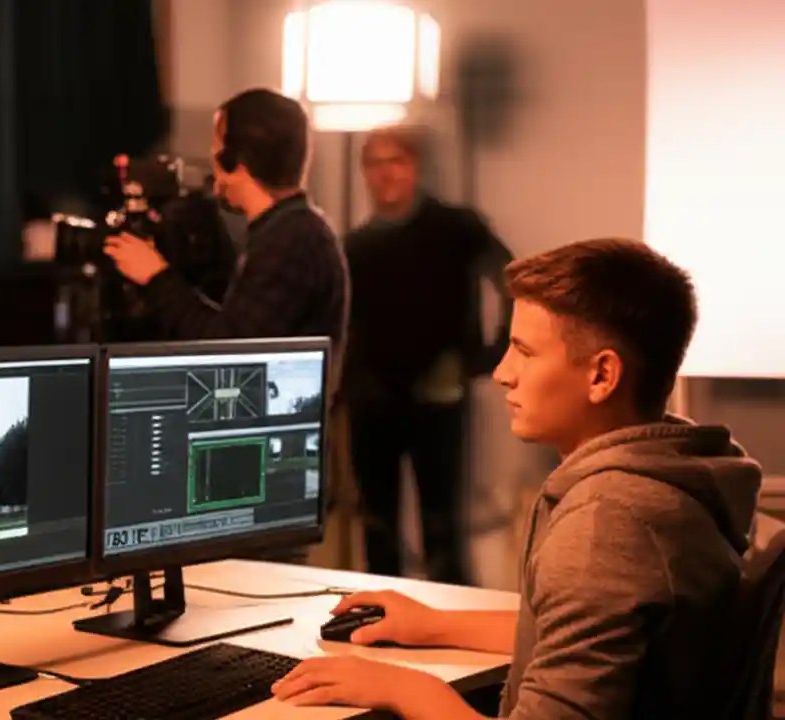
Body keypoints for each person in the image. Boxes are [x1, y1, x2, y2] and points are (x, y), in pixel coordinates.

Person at [272, 238, 762, 718]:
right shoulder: (667, 478)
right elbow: (569, 633)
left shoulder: (605, 526)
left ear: (601, 376)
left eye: (524, 351)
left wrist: (400, 688)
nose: (503, 372)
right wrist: (433, 625)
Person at [342, 125, 513, 585]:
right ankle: (382, 613)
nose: (386, 173)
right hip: (373, 398)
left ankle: (452, 615)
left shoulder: (455, 228)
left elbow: (512, 279)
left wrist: (494, 352)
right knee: (378, 525)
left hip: (438, 393)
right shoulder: (356, 246)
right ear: (364, 172)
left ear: (414, 166)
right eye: (375, 163)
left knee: (442, 523)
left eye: (395, 161)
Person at [103, 88, 348, 346]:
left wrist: (155, 277)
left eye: (217, 144)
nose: (212, 156)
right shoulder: (292, 230)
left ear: (234, 161)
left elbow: (230, 347)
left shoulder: (290, 241)